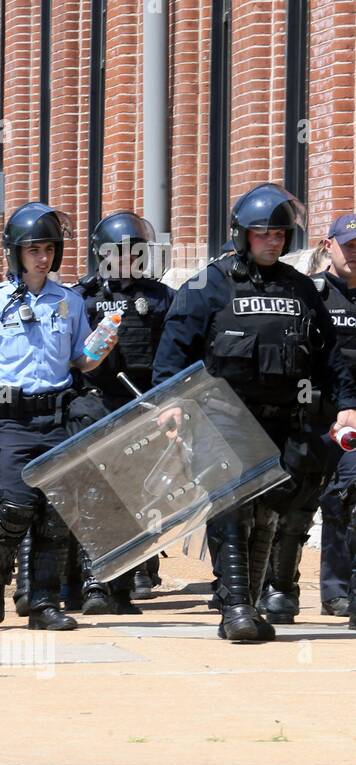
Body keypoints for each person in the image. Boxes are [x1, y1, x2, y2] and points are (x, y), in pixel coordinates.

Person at [153, 184, 356, 639]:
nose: (273, 242)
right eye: (263, 233)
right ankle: (237, 608)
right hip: (223, 414)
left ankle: (249, 600)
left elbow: (329, 358)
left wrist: (347, 405)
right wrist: (168, 402)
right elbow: (173, 351)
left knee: (270, 510)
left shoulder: (300, 287)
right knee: (232, 505)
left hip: (284, 418)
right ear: (242, 235)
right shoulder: (209, 284)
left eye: (280, 234)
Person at [0, 203, 114, 632]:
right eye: (33, 248)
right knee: (14, 505)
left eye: (48, 248)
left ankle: (44, 603)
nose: (42, 256)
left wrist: (99, 350)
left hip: (55, 416)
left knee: (54, 514)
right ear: (16, 252)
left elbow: (78, 361)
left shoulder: (70, 301)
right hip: (11, 419)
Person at [64, 211, 174, 614]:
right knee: (91, 493)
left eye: (135, 251)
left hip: (140, 403)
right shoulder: (81, 297)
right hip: (95, 403)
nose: (127, 259)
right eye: (118, 252)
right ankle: (90, 581)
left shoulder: (160, 298)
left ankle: (124, 586)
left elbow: (175, 350)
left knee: (136, 496)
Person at [315, 214, 356, 618]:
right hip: (312, 415)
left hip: (354, 423)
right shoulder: (311, 293)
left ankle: (338, 591)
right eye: (350, 244)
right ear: (329, 246)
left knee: (344, 497)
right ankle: (275, 588)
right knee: (287, 506)